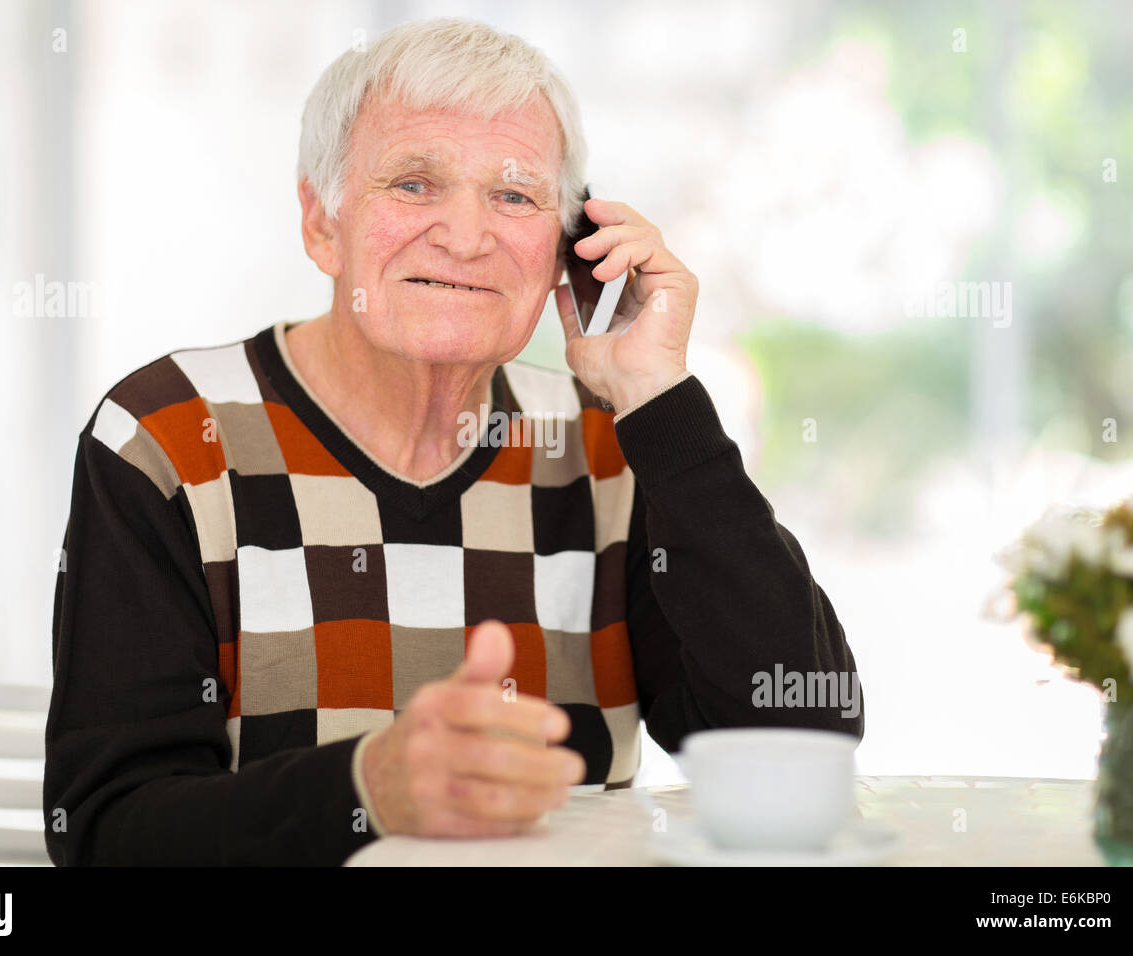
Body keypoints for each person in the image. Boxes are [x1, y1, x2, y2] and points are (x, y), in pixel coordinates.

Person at [44, 15, 864, 866]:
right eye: (413, 183)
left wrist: (657, 397)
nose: (467, 237)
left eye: (514, 196)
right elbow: (107, 836)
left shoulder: (609, 447)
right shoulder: (167, 441)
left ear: (566, 250)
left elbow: (804, 733)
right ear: (321, 223)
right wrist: (368, 791)